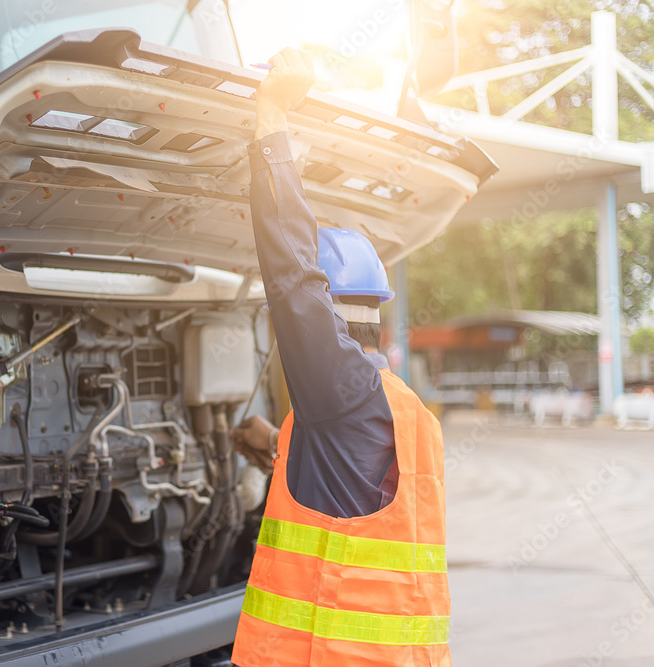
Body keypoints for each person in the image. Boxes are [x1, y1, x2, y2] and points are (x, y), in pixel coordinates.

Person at [229, 48, 451, 666]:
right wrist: (276, 444)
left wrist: (271, 116)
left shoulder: (341, 387)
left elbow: (292, 277)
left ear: (330, 309)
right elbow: (353, 494)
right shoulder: (402, 410)